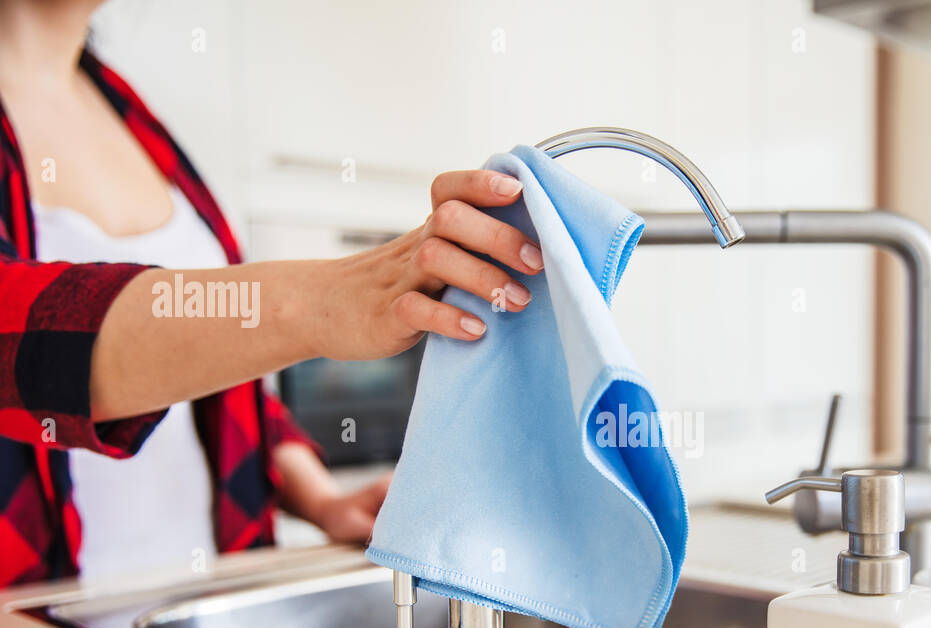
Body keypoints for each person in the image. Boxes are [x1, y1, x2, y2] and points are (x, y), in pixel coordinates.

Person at [0, 0, 542, 585]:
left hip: (191, 597)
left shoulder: (126, 110)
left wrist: (318, 498)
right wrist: (318, 301)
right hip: (35, 626)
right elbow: (19, 341)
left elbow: (213, 373)